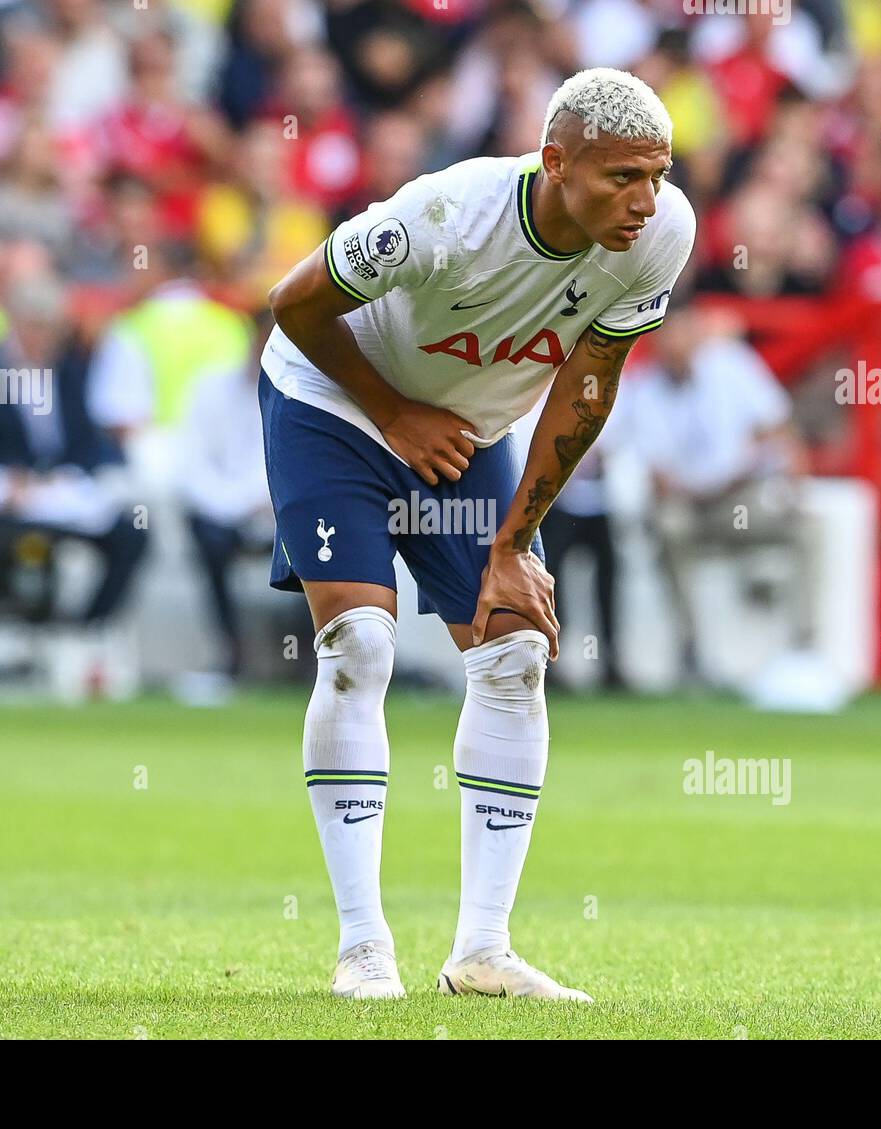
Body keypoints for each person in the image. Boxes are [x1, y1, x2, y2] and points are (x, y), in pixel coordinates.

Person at [263, 68, 695, 1000]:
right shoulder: (445, 214)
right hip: (333, 402)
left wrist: (514, 544)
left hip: (466, 429)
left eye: (658, 174)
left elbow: (590, 380)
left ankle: (482, 950)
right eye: (622, 176)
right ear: (555, 162)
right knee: (361, 646)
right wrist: (392, 413)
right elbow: (294, 303)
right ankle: (362, 945)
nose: (645, 200)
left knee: (514, 654)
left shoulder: (661, 236)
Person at [0, 273, 147, 623]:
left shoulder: (70, 371)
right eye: (38, 327)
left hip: (60, 495)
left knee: (132, 533)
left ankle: (85, 629)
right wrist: (2, 485)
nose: (46, 339)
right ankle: (15, 623)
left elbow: (85, 442)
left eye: (54, 328)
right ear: (15, 324)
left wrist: (70, 478)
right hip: (1, 504)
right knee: (20, 552)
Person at [627, 305, 808, 684]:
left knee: (805, 526)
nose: (674, 346)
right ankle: (691, 648)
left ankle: (805, 647)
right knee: (669, 525)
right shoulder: (642, 390)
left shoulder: (732, 366)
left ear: (697, 336)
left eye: (682, 335)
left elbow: (778, 427)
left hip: (741, 498)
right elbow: (657, 475)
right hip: (688, 506)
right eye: (666, 338)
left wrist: (789, 481)